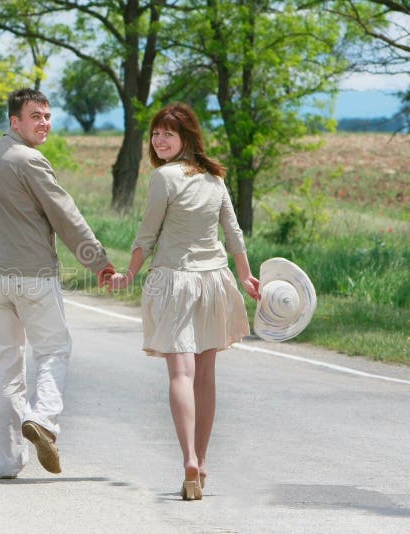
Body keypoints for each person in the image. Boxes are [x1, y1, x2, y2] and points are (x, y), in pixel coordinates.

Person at [0, 88, 115, 479]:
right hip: (33, 277)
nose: (44, 122)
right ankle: (43, 419)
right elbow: (66, 215)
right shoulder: (30, 161)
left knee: (3, 368)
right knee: (53, 351)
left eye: (47, 115)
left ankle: (6, 462)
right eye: (35, 116)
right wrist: (98, 262)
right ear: (15, 122)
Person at [108, 102, 260, 500]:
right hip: (214, 281)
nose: (159, 140)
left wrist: (128, 274)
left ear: (186, 137)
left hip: (175, 282)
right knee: (206, 376)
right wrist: (245, 276)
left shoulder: (164, 179)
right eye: (156, 134)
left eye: (167, 134)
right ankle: (203, 463)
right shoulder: (215, 178)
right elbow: (234, 233)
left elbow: (147, 236)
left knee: (181, 375)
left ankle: (190, 458)